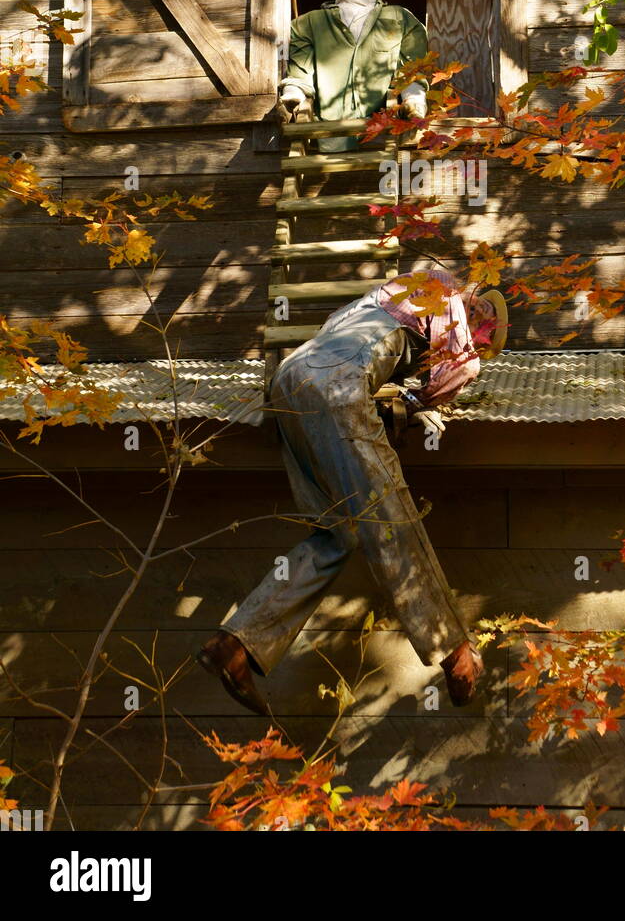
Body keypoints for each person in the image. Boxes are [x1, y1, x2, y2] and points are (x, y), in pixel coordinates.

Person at [197, 269, 508, 713]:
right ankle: (455, 651)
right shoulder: (448, 294)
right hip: (337, 390)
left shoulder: (379, 299)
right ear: (474, 303)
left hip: (289, 383)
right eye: (484, 323)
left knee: (336, 532)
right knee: (394, 517)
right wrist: (417, 402)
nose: (478, 327)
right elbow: (461, 368)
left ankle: (237, 644)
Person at [279, 0, 427, 149]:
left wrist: (415, 97)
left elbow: (411, 75)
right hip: (321, 134)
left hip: (378, 137)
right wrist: (293, 92)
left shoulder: (403, 22)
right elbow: (300, 76)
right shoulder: (306, 25)